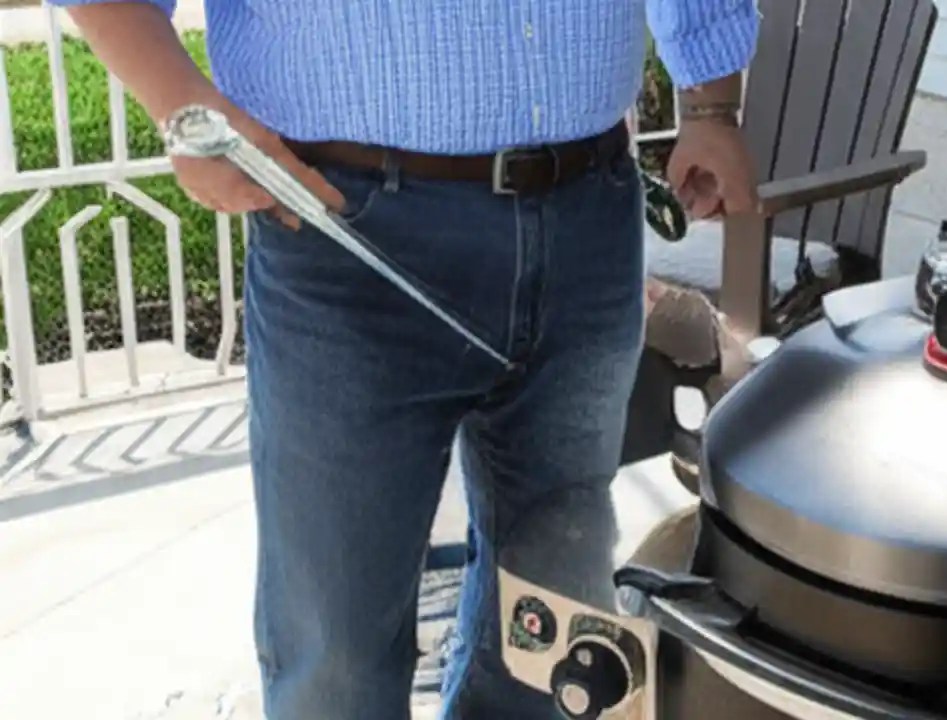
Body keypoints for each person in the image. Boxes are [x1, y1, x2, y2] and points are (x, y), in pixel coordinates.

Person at [53, 1, 760, 718]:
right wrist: (182, 105)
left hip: (587, 220)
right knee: (337, 648)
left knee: (549, 620)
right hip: (346, 233)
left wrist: (712, 104)